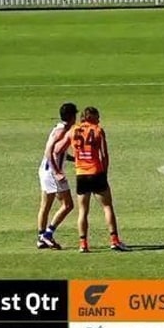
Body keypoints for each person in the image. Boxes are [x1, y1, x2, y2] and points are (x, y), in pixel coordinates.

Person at [66, 107, 129, 252]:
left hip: (81, 173)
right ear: (90, 117)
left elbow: (63, 149)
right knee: (107, 206)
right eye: (97, 116)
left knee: (83, 210)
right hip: (96, 171)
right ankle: (114, 240)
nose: (99, 119)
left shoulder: (73, 131)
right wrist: (104, 173)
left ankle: (83, 243)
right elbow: (104, 155)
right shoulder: (98, 130)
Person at [36, 102, 77, 250]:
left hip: (45, 171)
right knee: (68, 205)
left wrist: (74, 159)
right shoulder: (62, 131)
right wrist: (57, 172)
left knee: (45, 206)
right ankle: (48, 234)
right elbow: (49, 151)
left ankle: (41, 237)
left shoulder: (58, 128)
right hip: (52, 173)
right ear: (72, 117)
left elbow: (60, 152)